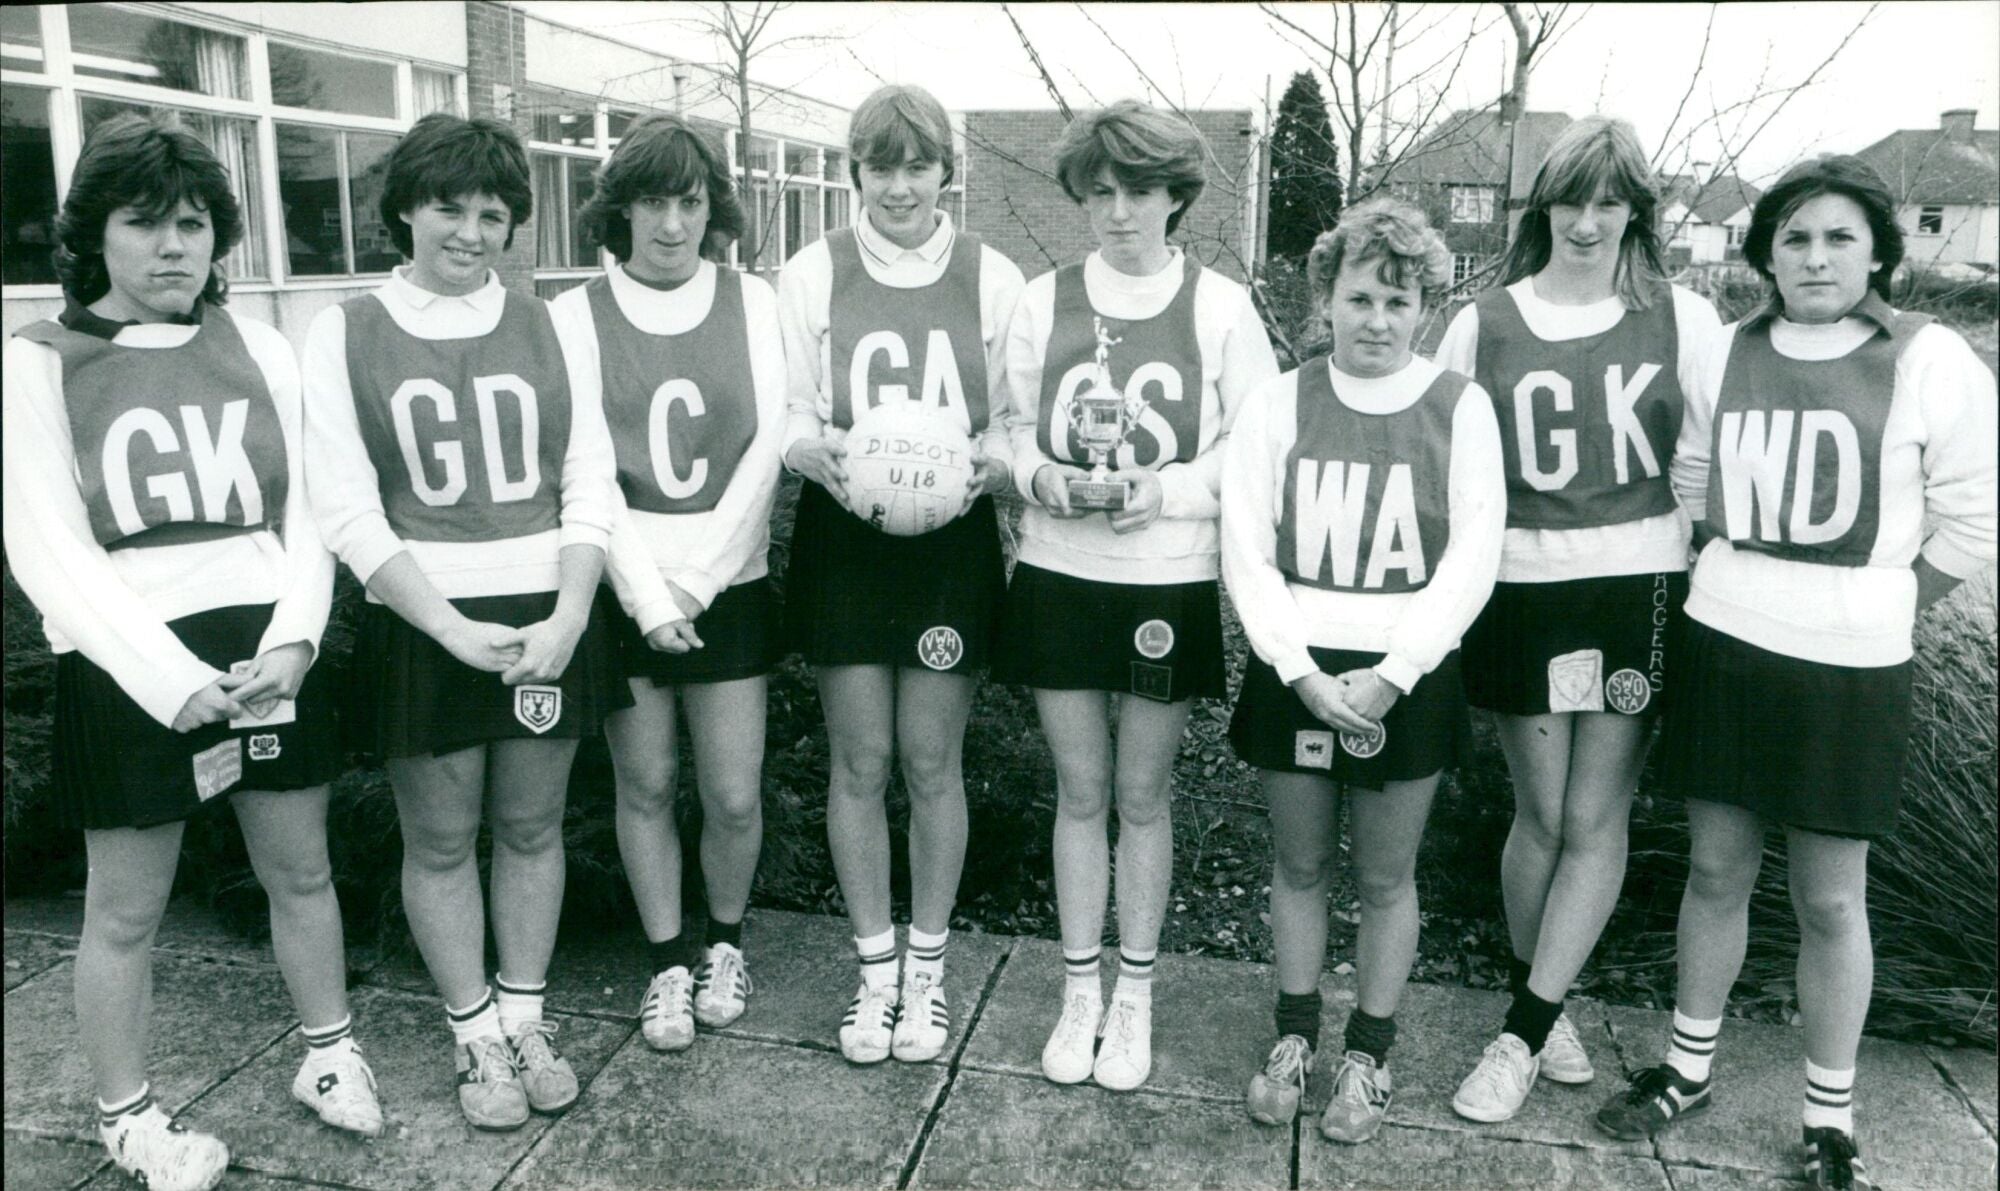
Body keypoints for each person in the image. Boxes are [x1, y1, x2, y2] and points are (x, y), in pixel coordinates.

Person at [1593, 154, 1995, 1191]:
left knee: (1827, 899)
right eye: (1794, 237)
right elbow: (1690, 475)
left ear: (1876, 252)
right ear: (1764, 250)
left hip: (1849, 665)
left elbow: (1972, 512)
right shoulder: (1727, 350)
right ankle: (1687, 1069)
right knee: (1714, 870)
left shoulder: (1928, 355)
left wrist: (1884, 603)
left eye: (1837, 237)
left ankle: (1828, 1114)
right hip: (1727, 638)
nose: (1813, 257)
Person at [2, 114, 381, 1191]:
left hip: (264, 651)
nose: (174, 246)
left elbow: (311, 515)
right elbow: (46, 548)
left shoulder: (258, 345)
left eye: (195, 223)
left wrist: (296, 641)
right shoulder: (38, 362)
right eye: (145, 224)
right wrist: (171, 684)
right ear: (94, 236)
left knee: (300, 870)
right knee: (124, 908)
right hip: (135, 666)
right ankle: (127, 1117)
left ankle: (328, 1053)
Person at [303, 113, 624, 1131]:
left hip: (546, 612)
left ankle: (527, 1018)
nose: (471, 231)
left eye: (493, 213)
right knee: (440, 841)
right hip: (425, 619)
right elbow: (345, 507)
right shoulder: (343, 328)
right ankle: (473, 1032)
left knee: (532, 827)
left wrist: (573, 610)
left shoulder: (550, 321)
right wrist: (445, 629)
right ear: (404, 205)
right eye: (449, 206)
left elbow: (589, 476)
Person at [1432, 116, 1722, 1123]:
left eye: (1610, 203)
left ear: (1635, 213)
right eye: (1571, 200)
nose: (1588, 222)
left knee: (1595, 818)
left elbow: (1708, 467)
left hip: (1634, 582)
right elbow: (1450, 469)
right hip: (1518, 584)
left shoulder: (1683, 319)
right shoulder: (1483, 322)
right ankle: (1542, 1001)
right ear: (1541, 207)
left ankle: (1518, 1030)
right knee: (1542, 814)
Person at [998, 100, 1277, 1091]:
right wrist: (1045, 480)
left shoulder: (1219, 309)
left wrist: (1159, 491)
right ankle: (1080, 987)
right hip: (1060, 570)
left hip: (1165, 577)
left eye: (1138, 192)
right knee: (1077, 791)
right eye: (1100, 191)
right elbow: (1007, 435)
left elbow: (1252, 459)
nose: (1117, 212)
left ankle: (1136, 992)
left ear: (1176, 199)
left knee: (1142, 793)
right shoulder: (1042, 299)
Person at [1222, 199, 1505, 1142]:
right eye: (1358, 297)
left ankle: (1369, 1053)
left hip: (1406, 675)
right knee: (1298, 863)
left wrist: (1396, 670)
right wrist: (1302, 673)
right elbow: (1247, 553)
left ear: (1424, 305)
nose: (1377, 318)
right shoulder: (1278, 401)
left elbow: (1474, 553)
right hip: (1298, 667)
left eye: (1397, 298)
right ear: (1326, 299)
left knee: (1386, 876)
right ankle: (1294, 1035)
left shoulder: (1459, 407)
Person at [776, 84, 1025, 1065]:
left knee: (929, 763)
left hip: (947, 538)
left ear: (944, 172)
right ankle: (871, 970)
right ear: (856, 172)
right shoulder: (811, 271)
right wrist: (806, 451)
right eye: (881, 166)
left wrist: (987, 472)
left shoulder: (989, 275)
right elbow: (790, 406)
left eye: (917, 165)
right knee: (858, 762)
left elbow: (1013, 418)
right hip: (847, 530)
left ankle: (926, 972)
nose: (900, 186)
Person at [554, 115, 784, 1052]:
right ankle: (666, 967)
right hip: (621, 581)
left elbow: (769, 448)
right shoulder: (573, 316)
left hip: (727, 579)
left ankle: (725, 943)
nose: (672, 223)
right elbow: (585, 470)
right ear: (619, 210)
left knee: (732, 791)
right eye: (651, 201)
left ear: (712, 210)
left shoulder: (753, 301)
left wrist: (696, 582)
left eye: (690, 202)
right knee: (643, 781)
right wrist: (649, 595)